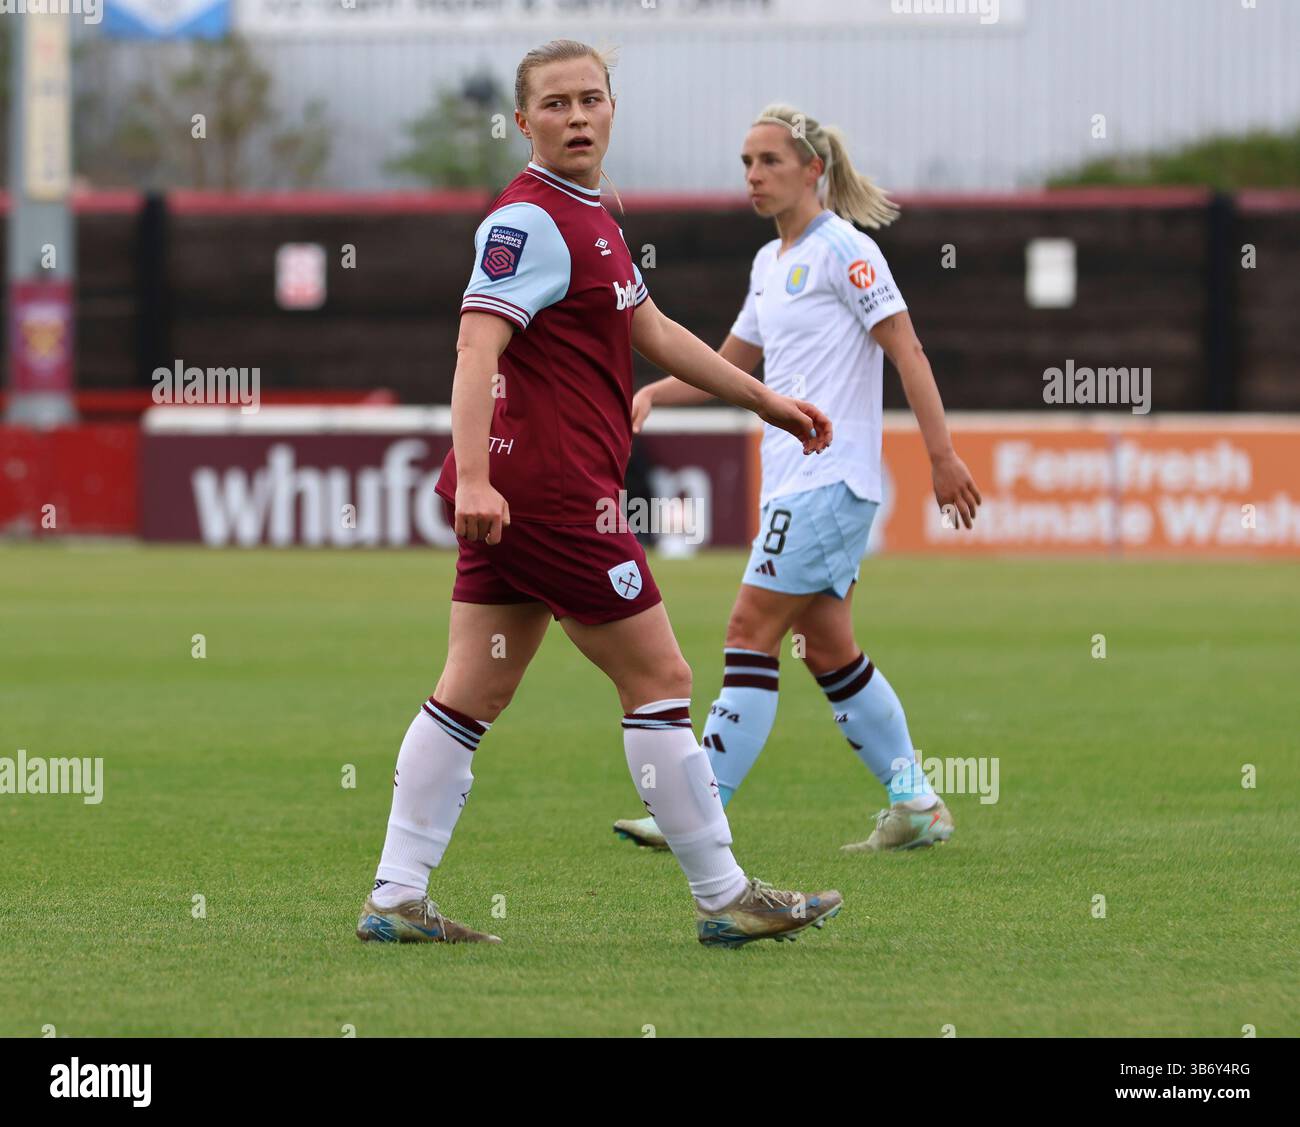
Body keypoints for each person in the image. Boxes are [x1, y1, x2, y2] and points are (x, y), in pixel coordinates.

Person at [357, 43, 843, 947]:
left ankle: (396, 896)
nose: (577, 116)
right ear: (524, 123)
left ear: (613, 107)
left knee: (471, 689)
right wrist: (472, 476)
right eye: (556, 104)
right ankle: (725, 895)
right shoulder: (531, 219)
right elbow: (476, 349)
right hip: (549, 495)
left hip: (521, 492)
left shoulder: (593, 215)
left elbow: (650, 328)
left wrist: (766, 401)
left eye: (591, 99)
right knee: (660, 678)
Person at [613, 104, 982, 854]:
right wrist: (654, 391)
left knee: (749, 630)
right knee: (828, 648)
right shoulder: (767, 264)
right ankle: (916, 803)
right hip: (791, 483)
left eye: (769, 161)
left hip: (830, 479)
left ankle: (697, 808)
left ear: (813, 169)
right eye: (746, 162)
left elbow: (907, 349)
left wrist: (941, 455)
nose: (753, 175)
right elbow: (732, 364)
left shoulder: (846, 250)